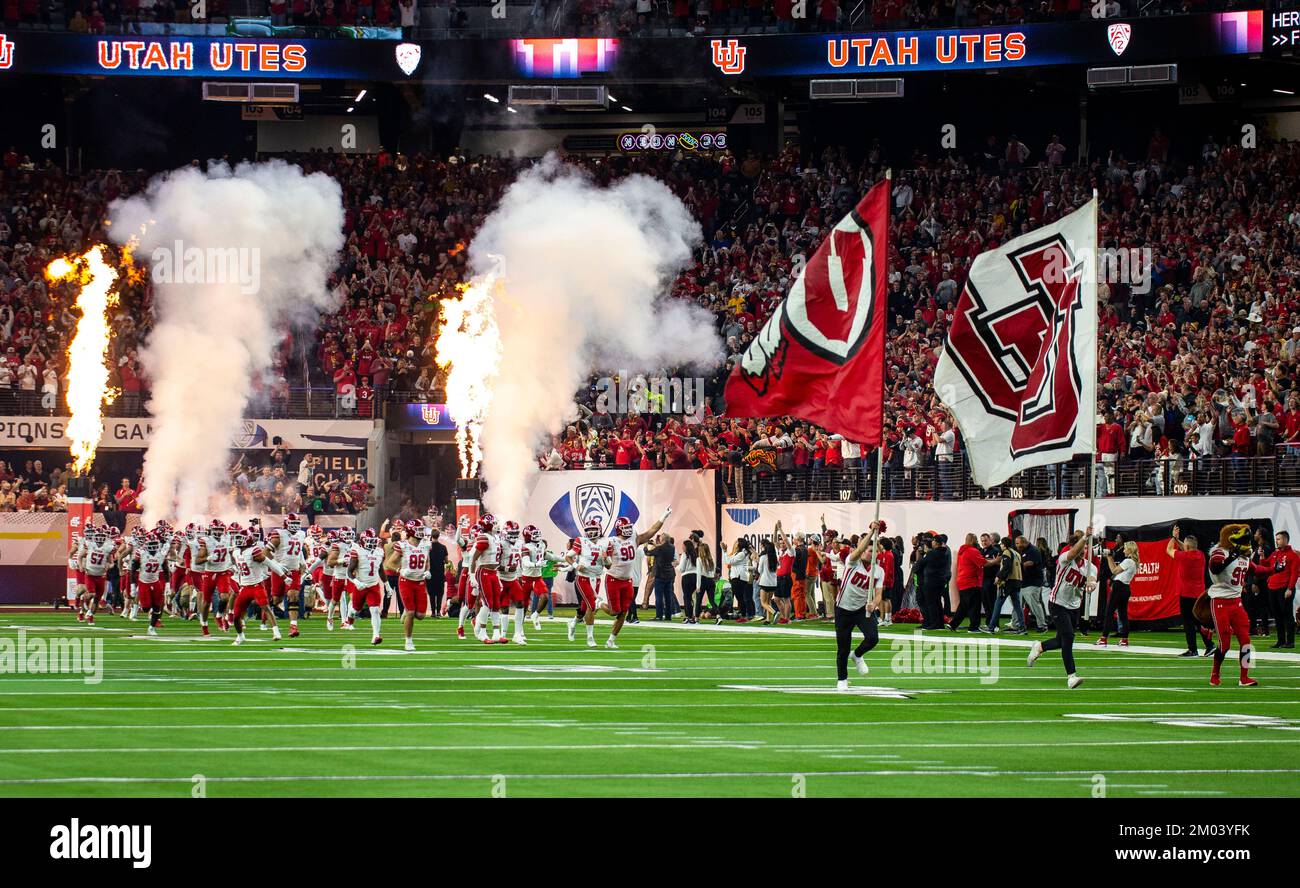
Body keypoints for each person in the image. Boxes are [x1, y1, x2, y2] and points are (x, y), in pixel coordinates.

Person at [1027, 527, 1095, 689]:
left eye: (1085, 548)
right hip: (1057, 604)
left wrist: (1091, 585)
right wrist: (1085, 537)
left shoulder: (1090, 566)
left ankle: (1040, 646)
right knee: (1069, 637)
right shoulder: (1066, 558)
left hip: (1074, 607)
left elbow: (1092, 579)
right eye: (1081, 547)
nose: (1083, 551)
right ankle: (1071, 676)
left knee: (1061, 640)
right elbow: (1072, 554)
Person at [602, 510, 669, 648]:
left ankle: (611, 640)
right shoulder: (611, 542)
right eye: (625, 528)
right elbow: (607, 566)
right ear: (619, 529)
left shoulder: (634, 537)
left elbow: (651, 531)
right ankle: (598, 604)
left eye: (629, 527)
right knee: (614, 611)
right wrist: (606, 560)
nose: (629, 530)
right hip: (614, 579)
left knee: (624, 611)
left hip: (628, 580)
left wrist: (663, 517)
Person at [833, 522, 885, 691]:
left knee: (873, 638)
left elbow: (878, 595)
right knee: (843, 647)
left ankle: (857, 655)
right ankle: (842, 679)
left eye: (874, 551)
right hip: (843, 609)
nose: (872, 553)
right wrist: (871, 532)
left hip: (862, 609)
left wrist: (873, 605)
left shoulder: (878, 571)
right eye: (869, 550)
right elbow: (858, 551)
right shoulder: (852, 562)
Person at [1205, 524, 1259, 687]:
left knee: (1246, 640)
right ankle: (1215, 673)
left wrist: (1275, 570)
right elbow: (1215, 568)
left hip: (1237, 602)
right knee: (1225, 643)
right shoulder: (1220, 551)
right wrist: (1233, 554)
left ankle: (1244, 677)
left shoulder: (1244, 557)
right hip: (1220, 601)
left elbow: (1258, 570)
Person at [1168, 526, 1215, 657]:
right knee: (1198, 621)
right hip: (1199, 593)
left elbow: (1169, 550)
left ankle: (1193, 649)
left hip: (1186, 593)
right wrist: (1178, 540)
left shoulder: (1184, 557)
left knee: (1188, 622)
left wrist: (1173, 538)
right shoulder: (1200, 555)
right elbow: (1187, 548)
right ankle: (1209, 644)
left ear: (1187, 547)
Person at [1250, 530, 1297, 650]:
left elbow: (1294, 574)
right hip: (1272, 588)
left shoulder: (1293, 555)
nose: (1277, 541)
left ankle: (1290, 641)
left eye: (1279, 539)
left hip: (1284, 588)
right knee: (1277, 616)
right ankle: (1281, 641)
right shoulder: (1276, 554)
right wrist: (1261, 556)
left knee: (1287, 616)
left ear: (1286, 540)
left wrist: (1290, 588)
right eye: (1276, 539)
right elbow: (1266, 565)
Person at [1098, 541, 1138, 647]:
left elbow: (1114, 570)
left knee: (1109, 612)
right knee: (1123, 614)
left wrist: (1109, 557)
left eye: (1125, 549)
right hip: (1125, 588)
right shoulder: (1133, 562)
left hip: (1119, 587)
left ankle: (1103, 638)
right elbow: (1116, 570)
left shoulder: (1129, 561)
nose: (1124, 550)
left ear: (1130, 550)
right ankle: (1124, 639)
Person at [951, 533, 989, 631]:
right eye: (976, 540)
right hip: (972, 582)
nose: (978, 542)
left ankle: (953, 624)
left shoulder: (961, 551)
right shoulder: (972, 551)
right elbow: (983, 563)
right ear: (972, 541)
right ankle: (974, 627)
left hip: (962, 581)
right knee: (975, 606)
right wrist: (997, 560)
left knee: (963, 606)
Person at [987, 535, 1024, 634]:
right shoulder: (1017, 553)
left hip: (1008, 582)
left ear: (1004, 544)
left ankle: (991, 626)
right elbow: (1021, 568)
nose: (1001, 546)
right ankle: (1022, 627)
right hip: (1017, 581)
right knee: (1017, 605)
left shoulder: (1006, 552)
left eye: (1001, 544)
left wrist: (998, 577)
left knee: (998, 603)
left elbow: (1006, 567)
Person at [1017, 536, 1048, 631]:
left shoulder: (1033, 550)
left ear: (1024, 542)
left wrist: (1017, 566)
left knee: (1034, 604)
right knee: (1017, 605)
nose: (1017, 545)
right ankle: (1015, 625)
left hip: (1033, 583)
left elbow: (1031, 562)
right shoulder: (1024, 551)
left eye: (1018, 543)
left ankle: (1042, 625)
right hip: (1024, 582)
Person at [756, 537, 779, 624]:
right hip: (773, 582)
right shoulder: (774, 557)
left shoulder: (763, 557)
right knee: (768, 601)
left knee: (763, 603)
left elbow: (759, 570)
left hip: (765, 582)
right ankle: (768, 619)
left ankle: (775, 612)